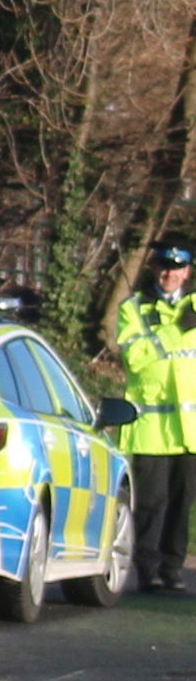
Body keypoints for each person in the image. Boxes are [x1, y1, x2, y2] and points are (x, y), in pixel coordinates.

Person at [108, 244, 195, 594]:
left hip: (189, 430)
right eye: (163, 267)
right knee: (151, 505)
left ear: (188, 273)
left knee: (181, 504)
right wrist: (175, 334)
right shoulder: (134, 308)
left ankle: (173, 568)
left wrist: (161, 339)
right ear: (153, 269)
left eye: (177, 269)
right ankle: (148, 569)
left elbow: (157, 352)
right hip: (151, 430)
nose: (169, 274)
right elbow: (136, 358)